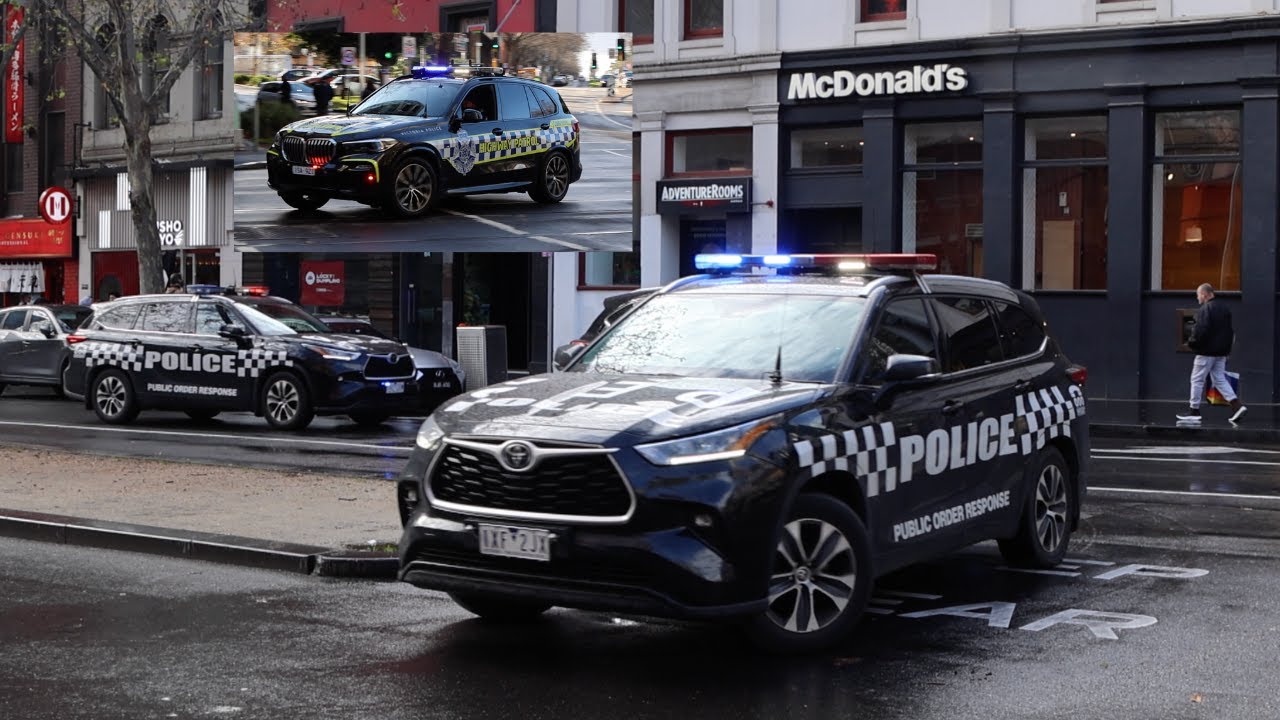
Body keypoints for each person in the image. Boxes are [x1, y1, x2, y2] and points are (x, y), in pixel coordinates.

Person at [1177, 283, 1246, 424]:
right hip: (1220, 353)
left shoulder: (1206, 309)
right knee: (1219, 379)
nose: (1197, 298)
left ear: (1204, 294)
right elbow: (1229, 332)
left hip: (1206, 352)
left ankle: (1194, 411)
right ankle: (1237, 406)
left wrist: (1191, 343)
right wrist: (1226, 350)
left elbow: (1201, 330)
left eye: (1198, 295)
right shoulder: (1224, 308)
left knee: (1196, 379)